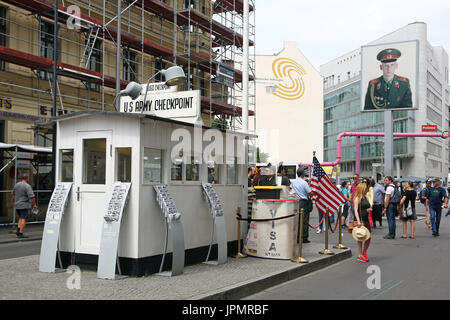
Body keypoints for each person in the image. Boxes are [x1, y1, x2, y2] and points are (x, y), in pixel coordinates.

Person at [291, 167, 313, 244]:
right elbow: (310, 193)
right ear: (303, 174)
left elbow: (291, 190)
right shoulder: (304, 183)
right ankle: (304, 237)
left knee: (297, 220)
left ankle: (297, 236)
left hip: (295, 202)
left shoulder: (293, 182)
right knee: (304, 220)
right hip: (303, 202)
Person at [12, 173, 38, 238]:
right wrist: (34, 204)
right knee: (23, 219)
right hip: (24, 204)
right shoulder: (27, 186)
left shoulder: (16, 185)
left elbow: (13, 195)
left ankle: (18, 230)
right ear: (27, 178)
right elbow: (31, 197)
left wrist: (13, 203)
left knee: (20, 217)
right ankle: (21, 233)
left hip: (17, 204)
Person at [352, 183, 372, 262]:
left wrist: (368, 210)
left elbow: (365, 207)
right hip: (360, 219)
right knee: (360, 236)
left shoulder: (365, 197)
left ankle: (364, 252)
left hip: (366, 218)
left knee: (368, 236)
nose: (367, 189)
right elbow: (355, 210)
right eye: (365, 188)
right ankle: (360, 254)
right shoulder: (357, 198)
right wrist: (358, 221)